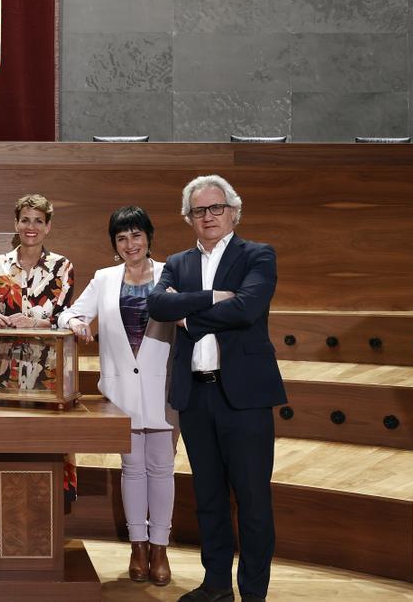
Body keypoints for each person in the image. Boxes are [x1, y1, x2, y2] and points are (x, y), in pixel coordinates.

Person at [147, 175, 286, 602]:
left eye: (216, 208)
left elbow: (247, 308)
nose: (208, 216)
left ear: (233, 211)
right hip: (196, 395)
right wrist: (213, 298)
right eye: (199, 210)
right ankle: (217, 585)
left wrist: (188, 315)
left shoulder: (258, 254)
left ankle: (253, 594)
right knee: (208, 497)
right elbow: (158, 304)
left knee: (253, 500)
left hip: (244, 397)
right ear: (188, 217)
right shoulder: (178, 263)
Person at [59, 206, 177, 587]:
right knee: (132, 469)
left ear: (149, 237)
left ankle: (160, 548)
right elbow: (68, 315)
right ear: (114, 243)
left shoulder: (172, 274)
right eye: (122, 238)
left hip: (164, 390)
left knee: (162, 469)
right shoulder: (104, 278)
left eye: (136, 235)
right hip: (121, 391)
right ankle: (137, 546)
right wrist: (77, 323)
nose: (130, 244)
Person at [0, 194, 75, 506]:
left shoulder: (62, 266)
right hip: (4, 369)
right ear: (16, 223)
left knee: (46, 439)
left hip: (46, 369)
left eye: (38, 221)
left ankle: (47, 503)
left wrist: (33, 321)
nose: (30, 226)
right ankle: (2, 502)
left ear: (48, 227)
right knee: (3, 437)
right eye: (25, 220)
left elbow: (64, 316)